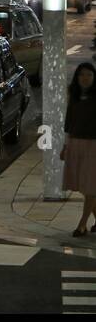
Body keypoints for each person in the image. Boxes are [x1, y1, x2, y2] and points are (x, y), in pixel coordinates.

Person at [63, 62, 96, 237]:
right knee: (84, 185)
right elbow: (69, 121)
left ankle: (82, 224)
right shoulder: (74, 95)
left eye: (89, 75)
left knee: (90, 186)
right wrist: (65, 145)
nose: (85, 78)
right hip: (76, 143)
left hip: (93, 144)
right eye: (82, 75)